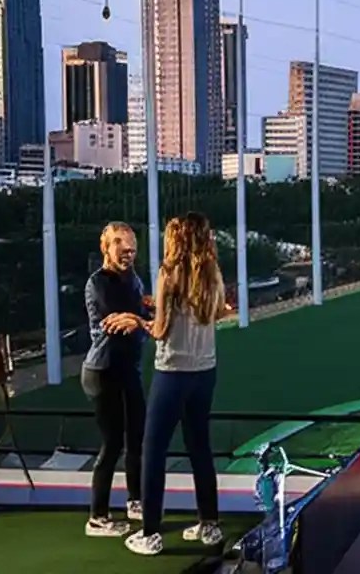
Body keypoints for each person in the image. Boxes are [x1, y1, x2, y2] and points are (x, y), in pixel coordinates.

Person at [126, 212, 228, 556]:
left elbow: (160, 331)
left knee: (153, 450)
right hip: (205, 371)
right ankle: (209, 524)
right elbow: (215, 313)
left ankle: (150, 533)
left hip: (172, 372)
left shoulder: (168, 272)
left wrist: (137, 320)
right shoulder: (212, 272)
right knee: (199, 446)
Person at [81, 222, 152, 536]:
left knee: (136, 438)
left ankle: (135, 501)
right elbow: (116, 320)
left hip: (128, 369)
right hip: (103, 371)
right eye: (121, 244)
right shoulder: (99, 282)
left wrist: (142, 313)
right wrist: (143, 315)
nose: (129, 251)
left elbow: (135, 317)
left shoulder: (133, 279)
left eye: (132, 245)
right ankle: (97, 516)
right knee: (112, 444)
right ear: (106, 248)